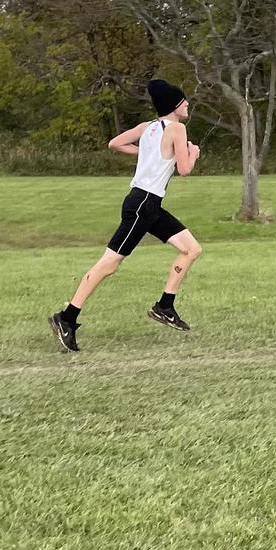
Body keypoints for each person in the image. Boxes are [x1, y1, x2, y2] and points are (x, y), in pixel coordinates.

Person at [49, 80, 202, 351]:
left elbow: (115, 143)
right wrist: (192, 153)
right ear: (175, 106)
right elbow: (185, 169)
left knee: (191, 249)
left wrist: (148, 153)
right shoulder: (178, 128)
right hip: (143, 204)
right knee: (109, 264)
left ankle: (165, 306)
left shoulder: (147, 128)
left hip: (146, 204)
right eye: (184, 100)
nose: (188, 104)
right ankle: (66, 318)